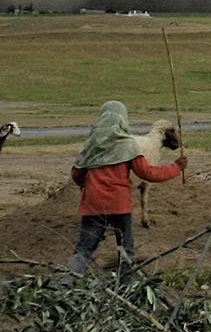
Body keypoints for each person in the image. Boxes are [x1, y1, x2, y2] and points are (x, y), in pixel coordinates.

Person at [62, 100, 186, 289]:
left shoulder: (92, 144)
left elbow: (76, 174)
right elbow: (148, 174)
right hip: (118, 205)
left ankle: (66, 282)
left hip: (93, 204)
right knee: (126, 248)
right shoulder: (127, 144)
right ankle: (125, 286)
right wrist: (176, 168)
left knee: (84, 248)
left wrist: (91, 186)